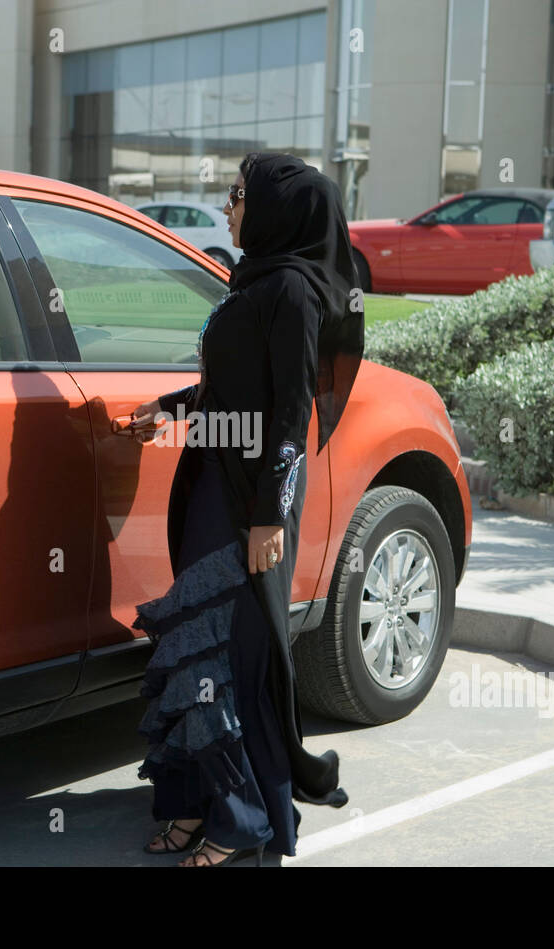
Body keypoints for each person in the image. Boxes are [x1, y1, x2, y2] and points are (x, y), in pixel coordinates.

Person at [129, 151, 364, 866]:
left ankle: (239, 818)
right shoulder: (252, 280)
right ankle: (194, 803)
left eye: (236, 196)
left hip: (250, 507)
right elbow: (230, 388)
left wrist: (270, 517)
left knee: (216, 653)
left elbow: (289, 418)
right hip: (211, 491)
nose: (228, 208)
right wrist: (167, 409)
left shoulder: (292, 290)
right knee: (200, 647)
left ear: (274, 210)